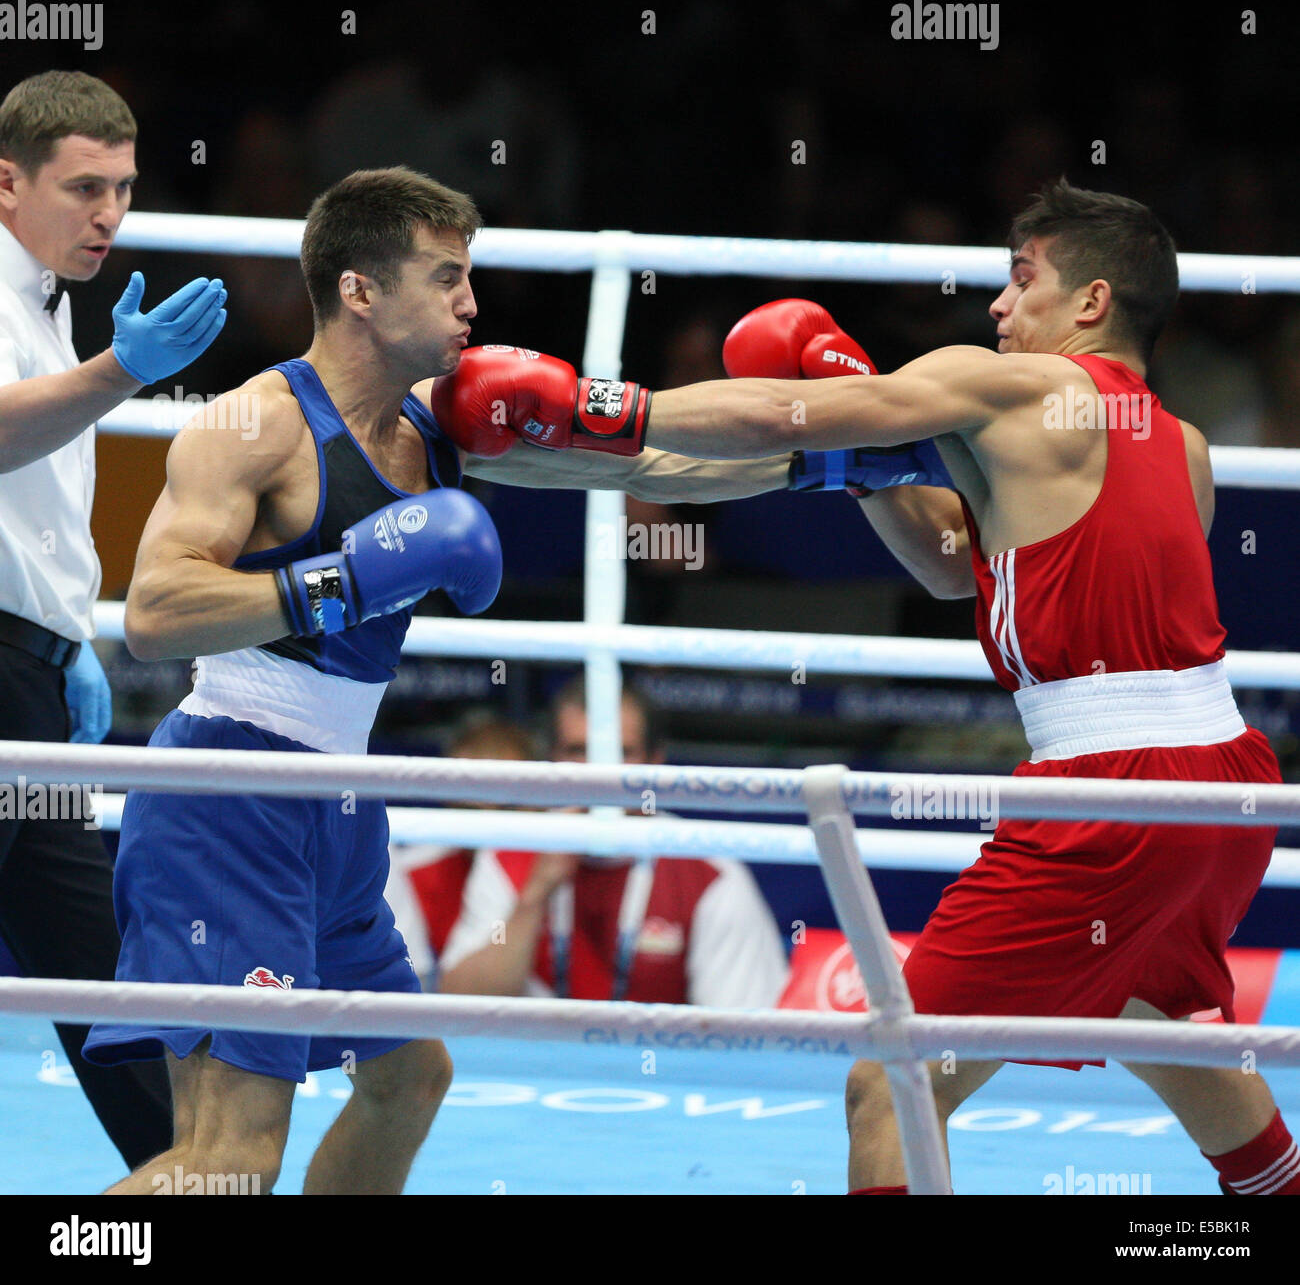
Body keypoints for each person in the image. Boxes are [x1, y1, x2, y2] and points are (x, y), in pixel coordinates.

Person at [432, 179, 1296, 1196]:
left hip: (1110, 796)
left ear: (1092, 302)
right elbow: (946, 562)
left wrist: (599, 409)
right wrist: (861, 464)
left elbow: (780, 414)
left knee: (891, 1079)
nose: (997, 307)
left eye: (1021, 281)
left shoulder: (1016, 390)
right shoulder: (1182, 450)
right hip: (1223, 790)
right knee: (1169, 1030)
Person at [84, 165, 790, 1195]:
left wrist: (838, 454)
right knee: (229, 1165)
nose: (471, 302)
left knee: (409, 1077)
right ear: (360, 288)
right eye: (445, 276)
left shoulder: (444, 426)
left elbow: (649, 465)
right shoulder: (258, 423)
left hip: (334, 798)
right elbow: (152, 613)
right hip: (229, 793)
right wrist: (338, 582)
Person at [0, 69, 227, 1171]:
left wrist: (68, 633)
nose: (110, 215)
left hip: (28, 668)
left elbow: (30, 510)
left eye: (125, 189)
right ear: (8, 182)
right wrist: (118, 372)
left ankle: (188, 1185)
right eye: (85, 187)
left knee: (90, 958)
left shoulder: (49, 297)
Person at [439, 680, 788, 1007]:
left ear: (655, 763)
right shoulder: (508, 855)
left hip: (657, 1071)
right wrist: (534, 896)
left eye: (621, 752)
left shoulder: (707, 874)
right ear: (553, 761)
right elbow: (460, 1005)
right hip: (535, 1071)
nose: (599, 772)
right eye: (579, 751)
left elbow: (742, 1042)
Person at [384, 714, 538, 989]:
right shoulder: (412, 873)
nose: (489, 828)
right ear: (450, 802)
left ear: (535, 803)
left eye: (506, 809)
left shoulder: (558, 866)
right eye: (472, 811)